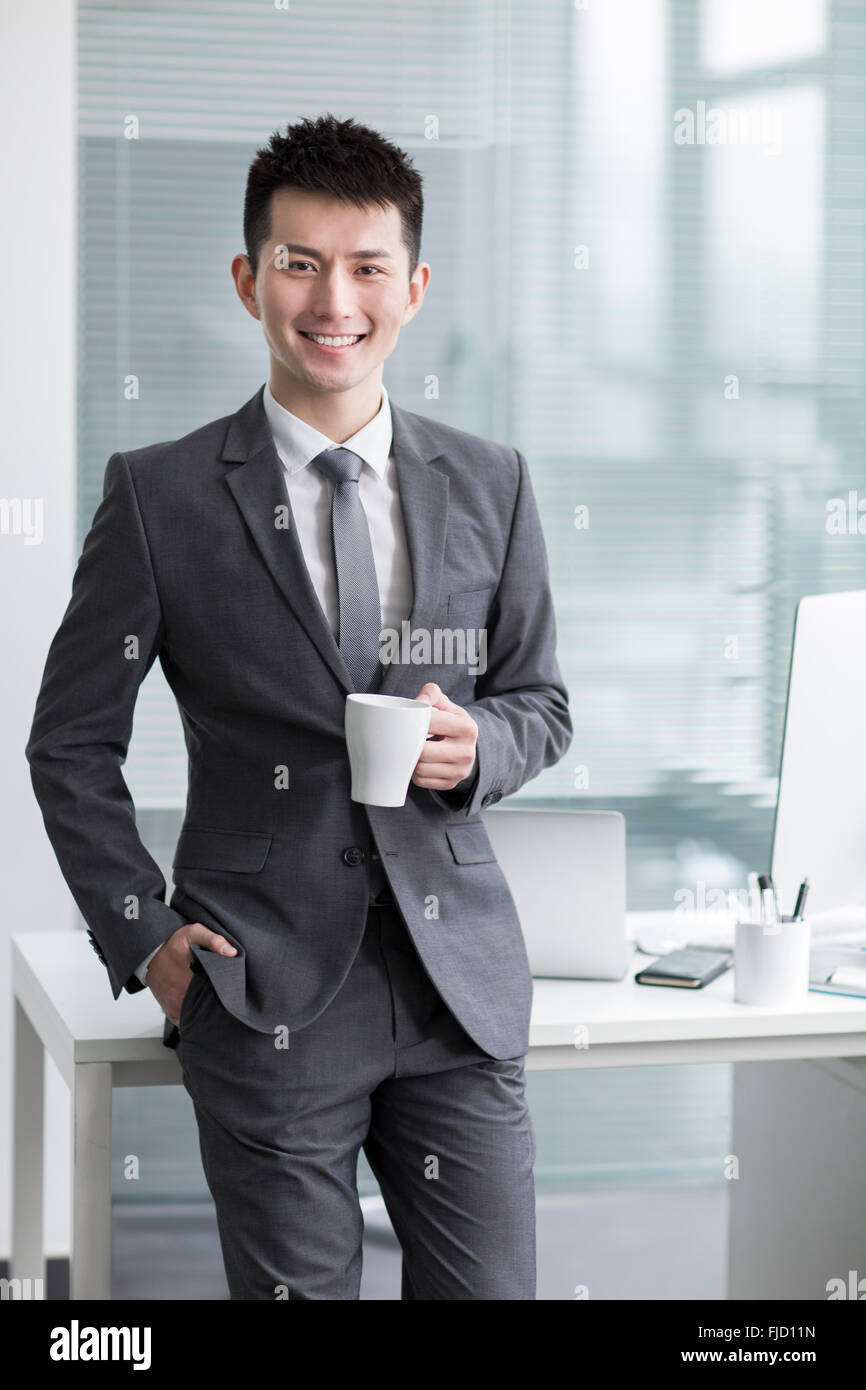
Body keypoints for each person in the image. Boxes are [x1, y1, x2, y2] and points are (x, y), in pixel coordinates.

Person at [26, 114, 573, 1300]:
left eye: (368, 266)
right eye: (299, 262)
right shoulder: (160, 495)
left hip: (454, 988)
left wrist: (481, 743)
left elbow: (540, 700)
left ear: (413, 287)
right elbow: (69, 742)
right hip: (263, 983)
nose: (336, 300)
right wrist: (147, 938)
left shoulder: (492, 481)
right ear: (249, 279)